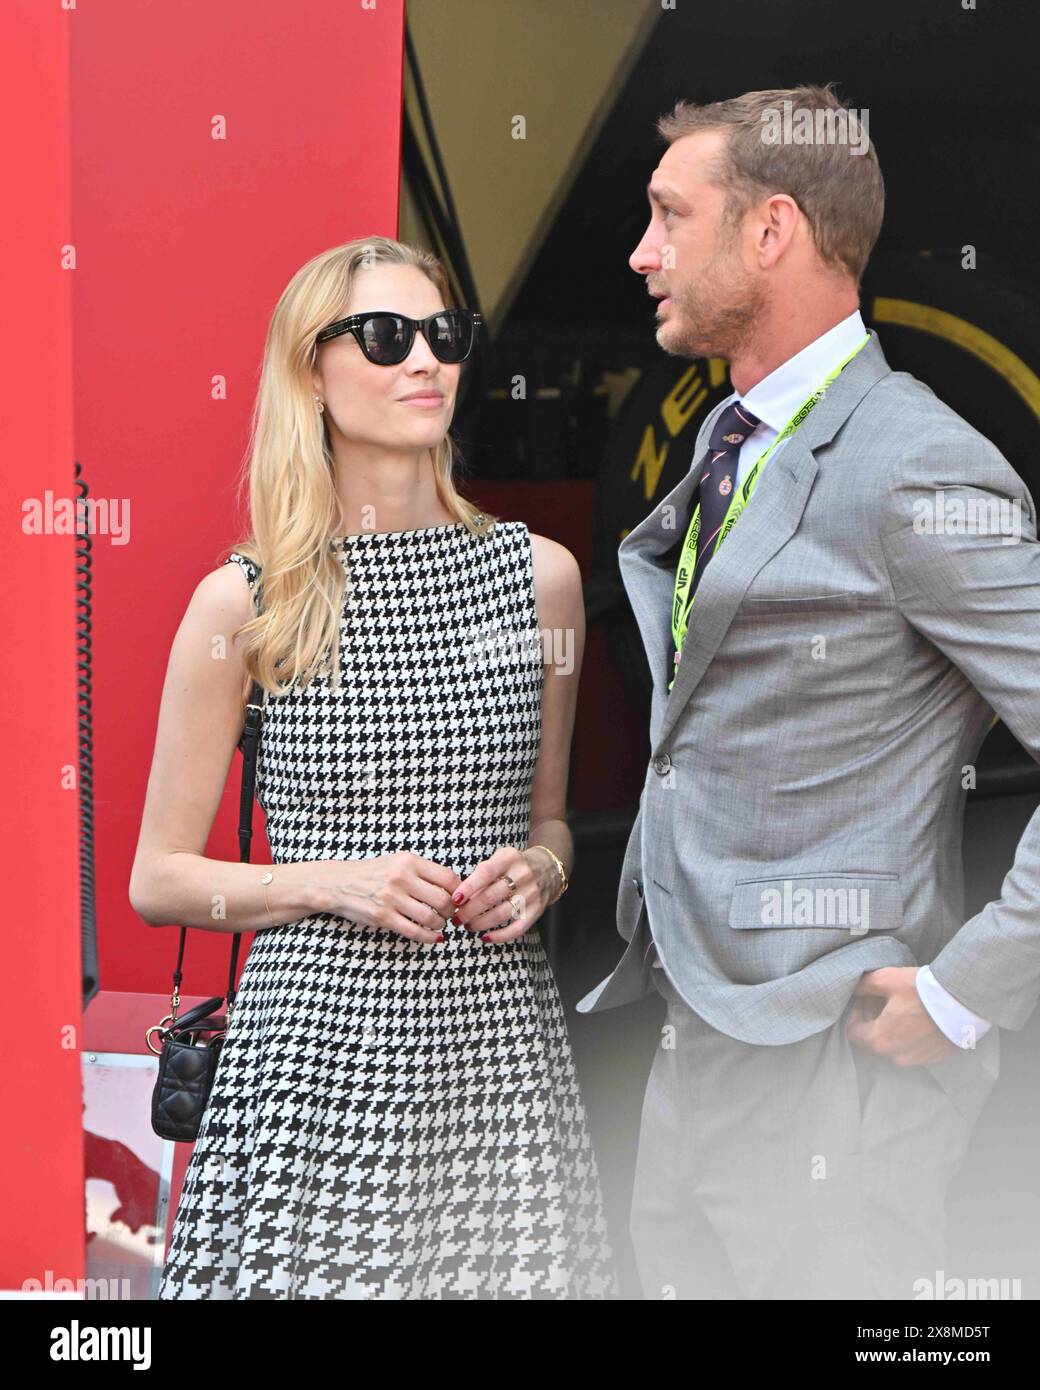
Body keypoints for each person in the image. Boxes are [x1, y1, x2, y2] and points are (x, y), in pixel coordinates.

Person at [578, 83, 1035, 1299]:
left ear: (769, 229)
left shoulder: (916, 461)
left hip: (837, 1072)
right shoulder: (728, 433)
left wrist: (961, 994)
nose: (640, 252)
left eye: (670, 215)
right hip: (697, 1043)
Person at [130, 234, 617, 1300]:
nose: (424, 362)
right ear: (311, 368)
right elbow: (159, 876)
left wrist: (543, 871)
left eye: (442, 336)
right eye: (387, 337)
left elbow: (550, 823)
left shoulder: (540, 581)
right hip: (310, 1066)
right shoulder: (249, 602)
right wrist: (330, 881)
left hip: (490, 1051)